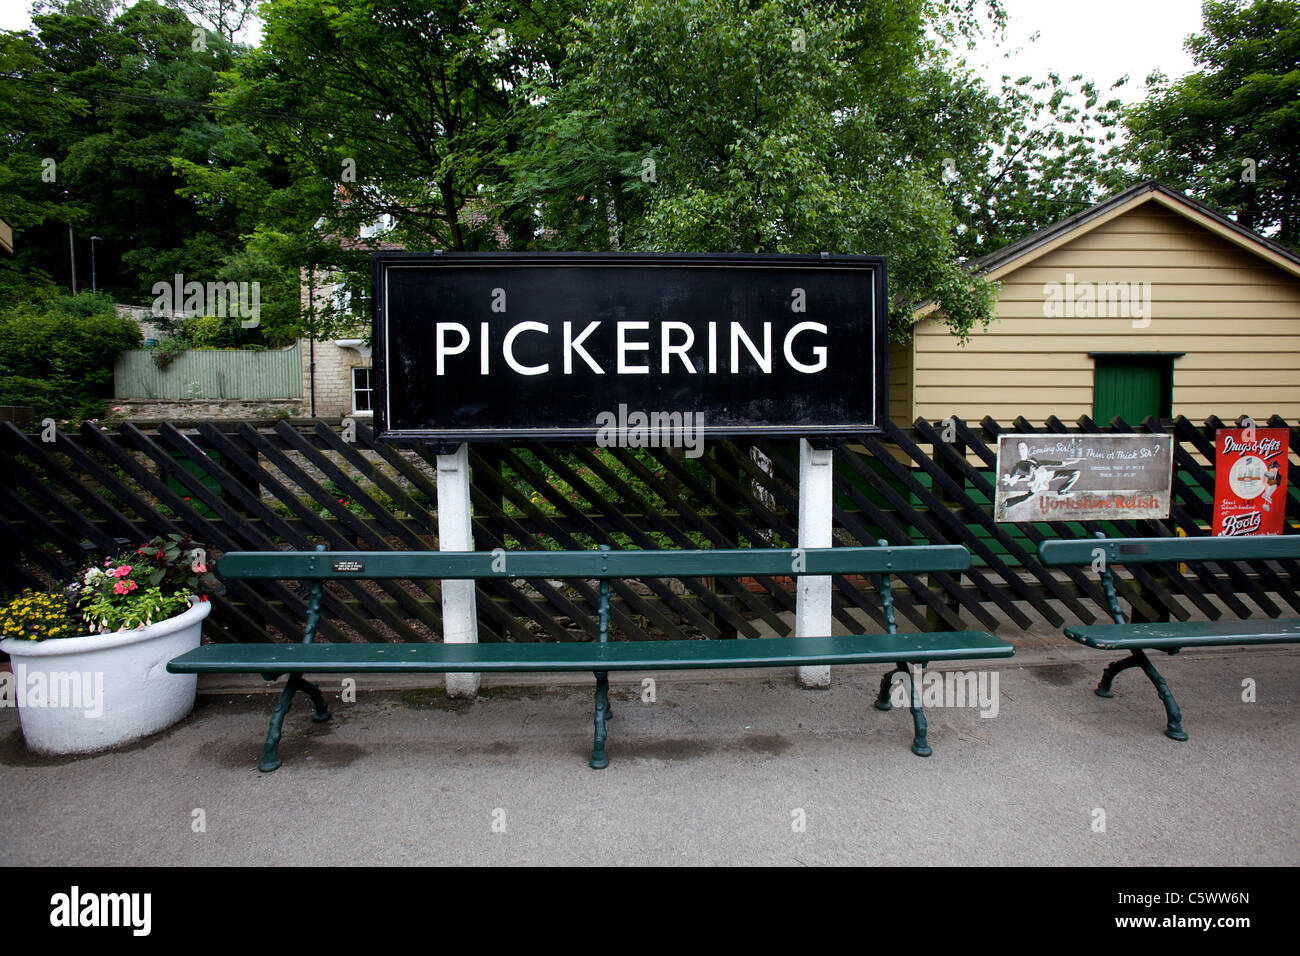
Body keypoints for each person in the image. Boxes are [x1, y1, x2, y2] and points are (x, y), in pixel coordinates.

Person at [997, 440, 1082, 519]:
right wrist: (1014, 478)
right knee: (1027, 497)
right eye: (1021, 448)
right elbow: (1019, 477)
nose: (1023, 450)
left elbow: (1047, 462)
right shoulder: (1020, 464)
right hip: (1038, 481)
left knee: (1075, 473)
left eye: (1024, 447)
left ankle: (1062, 491)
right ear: (1018, 451)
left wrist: (1069, 462)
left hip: (1046, 475)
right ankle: (1007, 503)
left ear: (1027, 449)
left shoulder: (1032, 459)